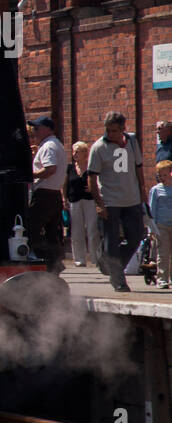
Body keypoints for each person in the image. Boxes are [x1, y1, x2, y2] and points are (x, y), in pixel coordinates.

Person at [88, 111, 147, 292]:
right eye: (108, 130)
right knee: (111, 241)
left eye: (114, 131)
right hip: (110, 201)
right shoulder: (99, 147)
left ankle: (107, 262)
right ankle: (119, 280)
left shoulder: (132, 141)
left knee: (136, 237)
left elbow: (138, 167)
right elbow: (91, 177)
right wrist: (99, 203)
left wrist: (142, 190)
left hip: (132, 199)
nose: (110, 134)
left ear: (123, 129)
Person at [28, 115, 65, 272]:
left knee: (32, 229)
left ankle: (40, 260)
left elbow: (50, 169)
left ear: (48, 129)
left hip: (44, 194)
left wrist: (31, 175)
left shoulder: (48, 146)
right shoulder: (55, 144)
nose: (34, 131)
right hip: (54, 194)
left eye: (37, 128)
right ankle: (54, 264)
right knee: (51, 233)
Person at [66, 140, 100, 266]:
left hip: (89, 200)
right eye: (73, 151)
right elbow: (65, 184)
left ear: (85, 153)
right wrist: (64, 198)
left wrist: (93, 188)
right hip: (74, 200)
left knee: (92, 229)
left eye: (77, 152)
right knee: (76, 230)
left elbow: (98, 181)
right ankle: (79, 259)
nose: (74, 154)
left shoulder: (91, 167)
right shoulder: (70, 168)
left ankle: (95, 258)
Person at [149, 160, 172, 289]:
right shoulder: (156, 190)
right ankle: (162, 279)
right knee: (162, 253)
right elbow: (152, 209)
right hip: (161, 226)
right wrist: (151, 228)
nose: (162, 178)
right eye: (160, 175)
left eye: (164, 175)